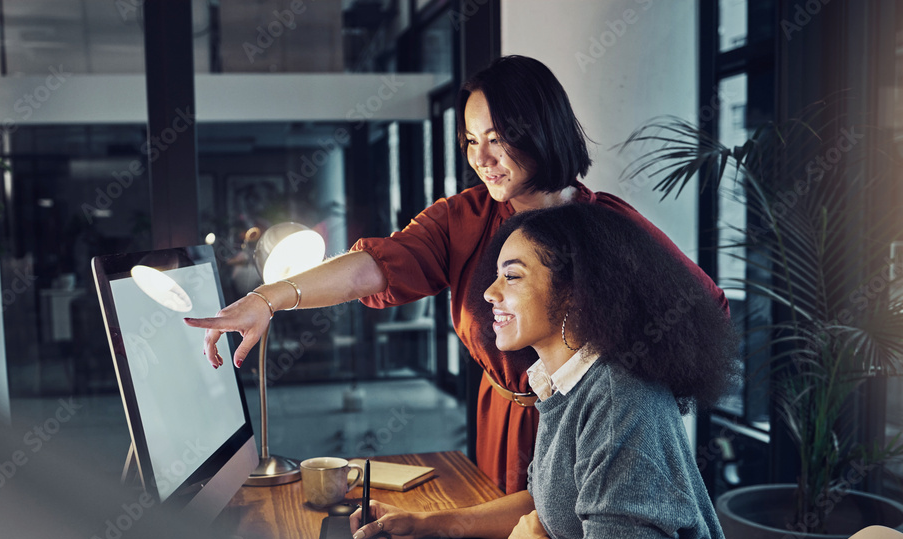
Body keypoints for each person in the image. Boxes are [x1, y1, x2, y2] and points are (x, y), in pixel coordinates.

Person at [184, 55, 728, 493]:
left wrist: (631, 397)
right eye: (471, 140)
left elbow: (703, 309)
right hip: (501, 419)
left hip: (587, 430)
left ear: (540, 130)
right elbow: (370, 269)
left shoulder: (608, 225)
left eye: (498, 137)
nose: (482, 157)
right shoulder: (462, 218)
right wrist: (269, 298)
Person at [350, 203, 770, 539]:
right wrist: (431, 524)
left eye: (511, 277)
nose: (488, 293)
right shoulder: (566, 379)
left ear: (574, 294)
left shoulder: (617, 397)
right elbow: (548, 501)